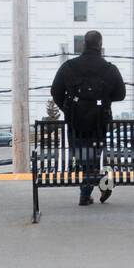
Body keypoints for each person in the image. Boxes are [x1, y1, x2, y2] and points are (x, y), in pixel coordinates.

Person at [51, 30, 126, 206]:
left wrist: (68, 109)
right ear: (100, 45)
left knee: (82, 158)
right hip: (99, 122)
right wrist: (103, 99)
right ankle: (99, 184)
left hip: (75, 122)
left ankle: (86, 194)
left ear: (84, 44)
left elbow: (55, 91)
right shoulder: (109, 69)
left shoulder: (69, 67)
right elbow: (121, 94)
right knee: (92, 158)